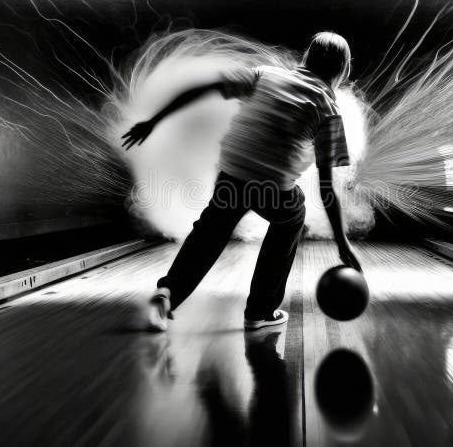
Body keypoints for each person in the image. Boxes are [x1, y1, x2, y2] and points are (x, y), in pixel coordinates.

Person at [122, 31, 361, 331]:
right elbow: (327, 188)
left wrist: (153, 121)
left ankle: (167, 293)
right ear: (342, 70)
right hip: (273, 190)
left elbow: (202, 88)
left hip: (232, 175)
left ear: (306, 58)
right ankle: (259, 312)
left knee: (210, 233)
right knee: (293, 214)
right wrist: (342, 243)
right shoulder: (329, 110)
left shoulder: (265, 75)